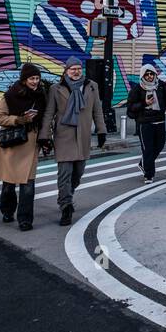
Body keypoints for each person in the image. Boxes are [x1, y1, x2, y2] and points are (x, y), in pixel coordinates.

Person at [38, 56, 106, 226]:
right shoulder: (56, 88)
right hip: (64, 136)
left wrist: (101, 130)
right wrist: (45, 135)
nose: (76, 72)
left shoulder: (91, 86)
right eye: (72, 69)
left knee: (78, 173)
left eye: (78, 68)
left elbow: (97, 110)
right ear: (66, 71)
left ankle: (67, 194)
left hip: (83, 137)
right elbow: (48, 113)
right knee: (64, 174)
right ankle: (66, 206)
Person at [0, 63, 46, 231]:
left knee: (28, 184)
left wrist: (46, 139)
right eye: (32, 78)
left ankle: (25, 220)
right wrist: (19, 120)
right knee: (8, 183)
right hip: (13, 143)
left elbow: (46, 118)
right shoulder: (11, 95)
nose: (35, 81)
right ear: (24, 79)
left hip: (31, 143)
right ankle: (7, 210)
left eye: (37, 78)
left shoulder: (42, 95)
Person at [127, 64, 166, 182]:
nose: (149, 76)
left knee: (159, 146)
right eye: (146, 74)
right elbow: (131, 108)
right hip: (145, 123)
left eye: (151, 74)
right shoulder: (137, 88)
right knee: (147, 149)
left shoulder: (161, 86)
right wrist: (144, 103)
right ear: (142, 76)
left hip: (160, 120)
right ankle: (149, 174)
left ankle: (143, 163)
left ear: (155, 74)